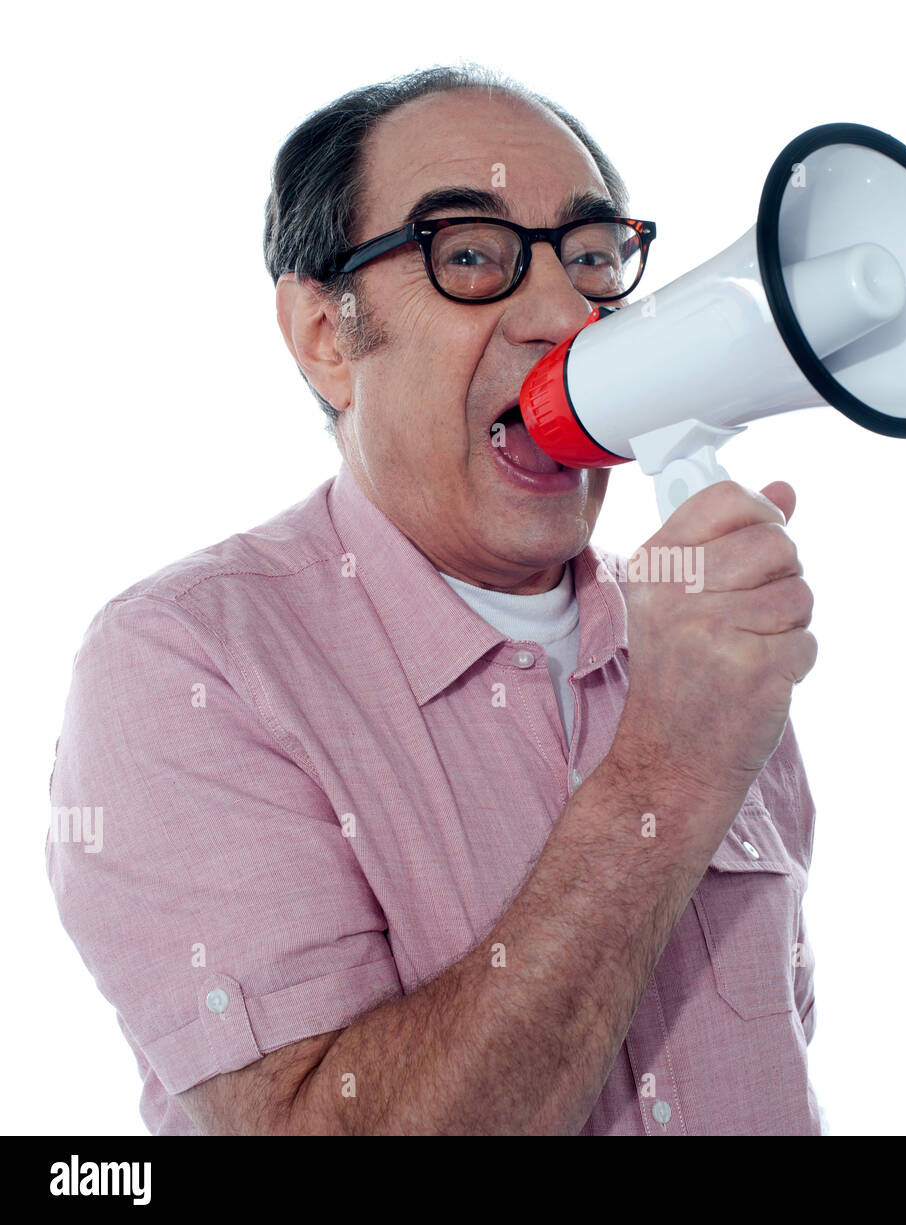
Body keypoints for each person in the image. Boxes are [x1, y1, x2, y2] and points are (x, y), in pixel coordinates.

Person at [46, 64, 821, 1135]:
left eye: (594, 259)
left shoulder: (700, 656)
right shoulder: (184, 664)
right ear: (327, 335)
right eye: (468, 255)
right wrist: (669, 770)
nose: (563, 312)